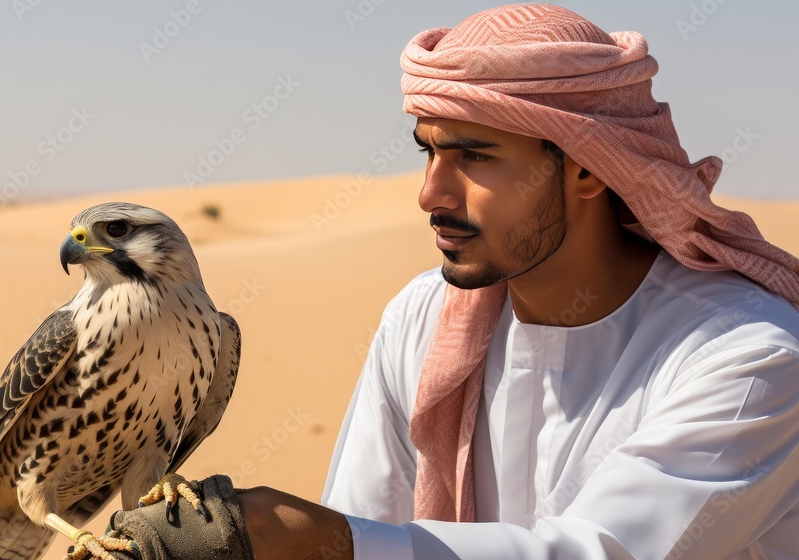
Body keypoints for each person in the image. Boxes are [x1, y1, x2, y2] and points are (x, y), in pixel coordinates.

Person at [110, 4, 799, 559]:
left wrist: (318, 542)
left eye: (474, 156)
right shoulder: (421, 319)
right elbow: (366, 517)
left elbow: (602, 551)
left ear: (588, 167)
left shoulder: (749, 357)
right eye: (428, 151)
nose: (431, 194)